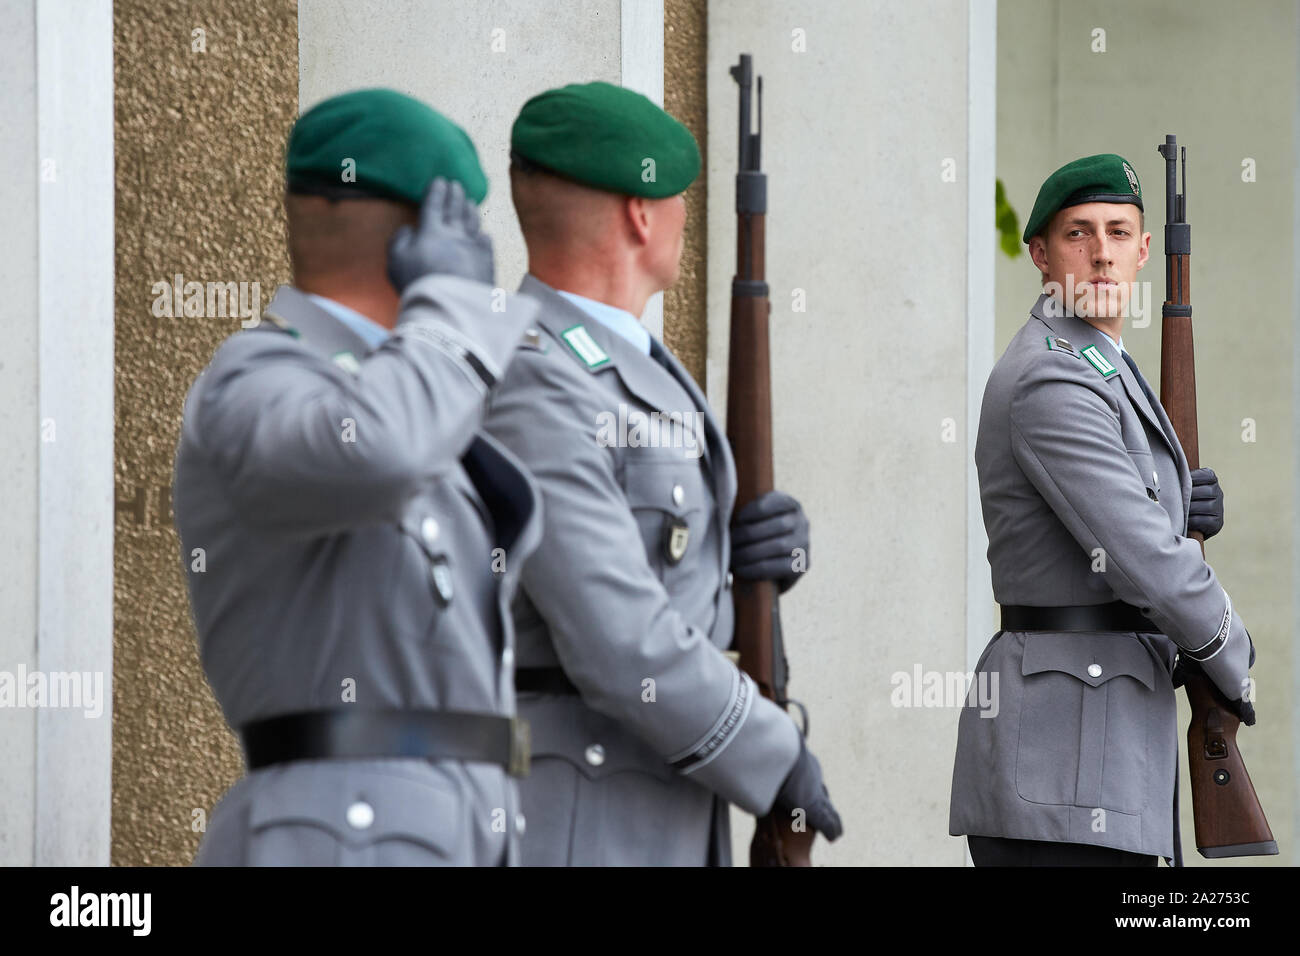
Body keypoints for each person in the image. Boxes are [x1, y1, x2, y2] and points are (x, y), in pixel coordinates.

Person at [173, 88, 542, 865]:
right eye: (462, 224)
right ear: (416, 234)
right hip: (343, 835)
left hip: (458, 825)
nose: (477, 255)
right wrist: (448, 308)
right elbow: (381, 453)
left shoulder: (418, 390)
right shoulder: (255, 380)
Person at [482, 81, 842, 866]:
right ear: (641, 214)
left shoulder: (622, 358)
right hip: (584, 819)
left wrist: (743, 556)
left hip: (658, 797)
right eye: (678, 197)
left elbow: (657, 563)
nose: (685, 214)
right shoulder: (535, 380)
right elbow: (619, 643)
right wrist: (774, 754)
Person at [949, 153, 1255, 866]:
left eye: (1119, 233)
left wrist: (1180, 500)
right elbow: (1143, 558)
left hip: (1101, 752)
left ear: (1145, 250)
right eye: (1078, 234)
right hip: (1064, 765)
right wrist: (1233, 651)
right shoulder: (1051, 374)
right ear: (1039, 253)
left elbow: (1134, 523)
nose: (1101, 254)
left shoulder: (1102, 362)